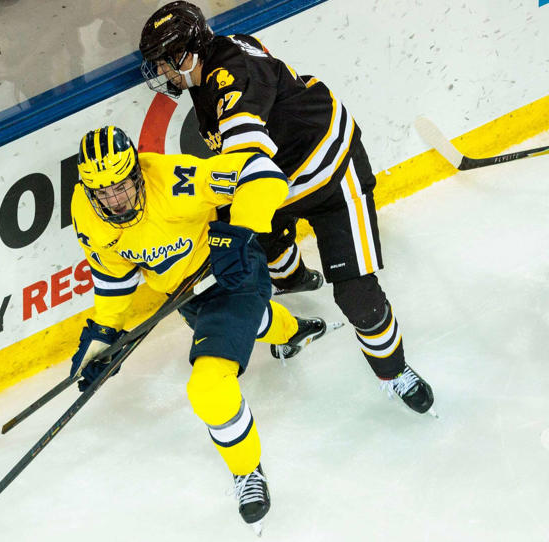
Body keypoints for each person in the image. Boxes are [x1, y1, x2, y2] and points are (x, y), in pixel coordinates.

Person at [138, 1, 434, 415]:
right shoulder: (213, 64)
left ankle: (394, 371)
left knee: (357, 297)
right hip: (279, 176)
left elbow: (250, 164)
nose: (162, 74)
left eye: (166, 63)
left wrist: (235, 234)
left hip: (331, 170)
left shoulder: (230, 78)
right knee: (265, 243)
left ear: (190, 52)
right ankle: (297, 279)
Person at [69, 125, 339, 532]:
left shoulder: (176, 181)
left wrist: (238, 231)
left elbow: (262, 171)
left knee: (209, 387)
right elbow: (114, 277)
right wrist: (104, 339)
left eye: (122, 187)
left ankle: (248, 472)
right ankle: (292, 331)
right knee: (251, 325)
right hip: (187, 295)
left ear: (137, 174)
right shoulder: (87, 213)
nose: (115, 201)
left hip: (230, 270)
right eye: (102, 193)